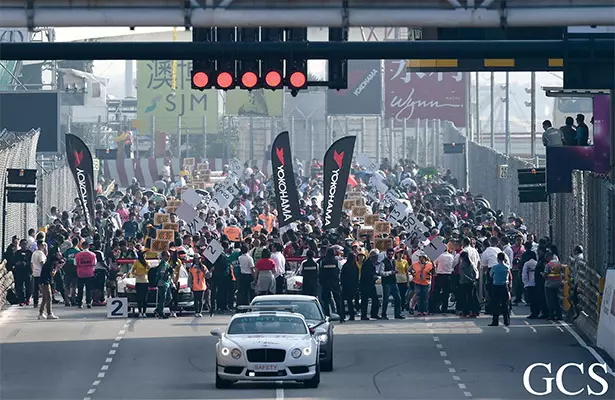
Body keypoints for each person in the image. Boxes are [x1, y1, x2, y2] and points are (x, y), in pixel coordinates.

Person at [319, 247, 345, 322]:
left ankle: (327, 317)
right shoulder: (336, 262)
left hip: (325, 283)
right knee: (338, 300)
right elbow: (340, 271)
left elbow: (320, 272)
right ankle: (341, 317)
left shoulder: (322, 262)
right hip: (335, 283)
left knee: (326, 301)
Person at [38, 250, 64, 320]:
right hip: (45, 282)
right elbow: (52, 274)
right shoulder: (50, 265)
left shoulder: (48, 263)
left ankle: (41, 313)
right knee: (49, 297)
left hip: (42, 282)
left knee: (44, 299)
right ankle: (49, 313)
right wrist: (57, 268)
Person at [379, 248, 404, 320]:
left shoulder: (393, 261)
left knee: (398, 298)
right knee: (385, 299)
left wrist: (395, 272)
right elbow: (381, 273)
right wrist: (390, 272)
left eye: (392, 254)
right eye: (389, 254)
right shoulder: (383, 262)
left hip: (393, 282)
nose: (391, 255)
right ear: (387, 254)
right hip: (386, 283)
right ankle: (383, 314)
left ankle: (397, 314)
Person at [488, 253, 511, 327]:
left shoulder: (495, 267)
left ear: (498, 259)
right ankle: (506, 321)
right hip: (504, 286)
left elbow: (491, 275)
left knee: (495, 304)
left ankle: (495, 321)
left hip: (496, 286)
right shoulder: (507, 267)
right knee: (505, 304)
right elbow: (508, 277)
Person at [360, 249, 380, 320]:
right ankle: (364, 315)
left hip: (370, 284)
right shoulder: (367, 264)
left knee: (375, 300)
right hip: (366, 285)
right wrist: (373, 276)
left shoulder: (371, 263)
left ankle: (373, 314)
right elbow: (366, 274)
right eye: (376, 257)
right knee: (365, 301)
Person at [75, 240, 96, 309]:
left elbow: (75, 263)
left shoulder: (78, 255)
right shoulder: (93, 255)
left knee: (80, 289)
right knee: (88, 289)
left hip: (80, 273)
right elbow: (95, 263)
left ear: (81, 246)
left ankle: (79, 303)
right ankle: (88, 302)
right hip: (89, 273)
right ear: (88, 246)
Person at [12, 239, 32, 306]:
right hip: (19, 272)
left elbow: (32, 262)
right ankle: (21, 300)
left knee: (28, 286)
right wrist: (18, 263)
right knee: (19, 286)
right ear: (20, 245)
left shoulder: (29, 253)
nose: (24, 245)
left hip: (27, 271)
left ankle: (28, 298)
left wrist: (26, 263)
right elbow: (14, 262)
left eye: (25, 244)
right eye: (23, 244)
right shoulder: (17, 253)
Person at [543, 251, 563, 320]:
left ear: (549, 257)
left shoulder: (548, 265)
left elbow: (545, 275)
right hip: (557, 283)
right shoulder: (558, 263)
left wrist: (542, 275)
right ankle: (559, 315)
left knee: (550, 301)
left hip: (549, 284)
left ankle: (551, 315)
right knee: (556, 300)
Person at [130, 250, 150, 317]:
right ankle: (139, 312)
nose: (145, 256)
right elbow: (132, 271)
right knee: (139, 298)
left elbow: (149, 270)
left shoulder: (147, 262)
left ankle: (144, 312)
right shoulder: (137, 262)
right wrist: (137, 274)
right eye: (144, 254)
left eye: (145, 255)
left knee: (145, 298)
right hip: (138, 281)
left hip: (145, 281)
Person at [341, 253, 359, 321]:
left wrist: (342, 284)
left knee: (344, 301)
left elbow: (342, 276)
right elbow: (357, 277)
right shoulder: (355, 267)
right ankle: (352, 315)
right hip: (353, 286)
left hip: (346, 286)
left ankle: (343, 315)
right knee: (350, 301)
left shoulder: (345, 266)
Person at [522, 249, 539, 319]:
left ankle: (533, 312)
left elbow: (524, 274)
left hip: (529, 283)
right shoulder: (536, 263)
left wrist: (525, 283)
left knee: (531, 299)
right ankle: (537, 312)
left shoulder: (527, 264)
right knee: (536, 298)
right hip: (536, 283)